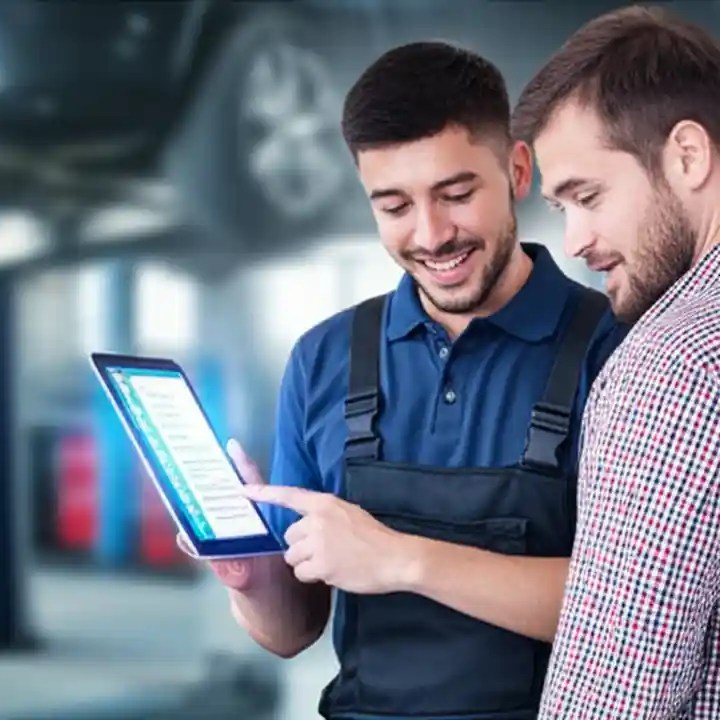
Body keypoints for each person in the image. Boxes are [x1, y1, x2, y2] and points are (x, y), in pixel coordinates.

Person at [183, 41, 626, 719]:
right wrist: (247, 579)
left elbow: (634, 611)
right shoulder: (323, 358)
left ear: (516, 170)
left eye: (456, 194)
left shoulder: (616, 349)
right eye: (393, 206)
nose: (431, 234)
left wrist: (398, 559)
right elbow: (291, 631)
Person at [511, 6, 720, 717]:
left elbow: (615, 696)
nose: (573, 240)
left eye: (588, 197)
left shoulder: (674, 366)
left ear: (687, 155)